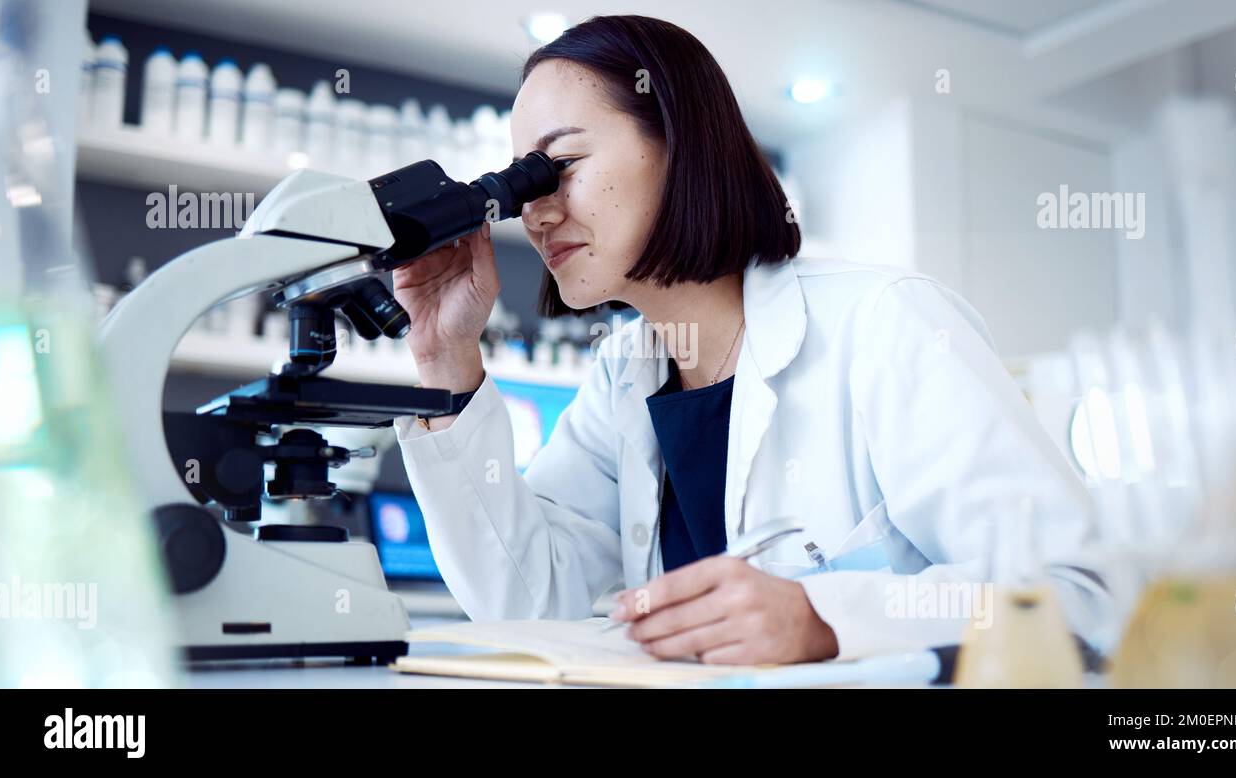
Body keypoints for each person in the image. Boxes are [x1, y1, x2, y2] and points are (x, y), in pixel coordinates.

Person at [391, 15, 1106, 665]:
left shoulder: (888, 323)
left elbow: (1076, 593)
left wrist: (823, 619)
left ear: (680, 144)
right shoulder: (624, 374)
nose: (537, 213)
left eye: (559, 166)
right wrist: (444, 357)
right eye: (522, 187)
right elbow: (529, 602)